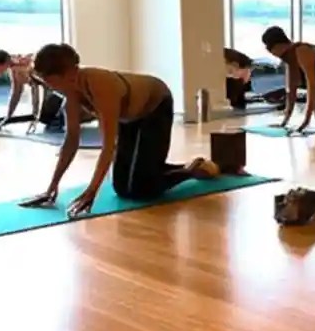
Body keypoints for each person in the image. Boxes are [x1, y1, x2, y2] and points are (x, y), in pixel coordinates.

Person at [20, 43, 218, 217]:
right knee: (122, 187)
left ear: (70, 73)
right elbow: (71, 142)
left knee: (141, 189)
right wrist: (51, 188)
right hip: (129, 116)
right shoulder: (70, 95)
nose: (50, 87)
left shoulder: (101, 85)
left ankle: (190, 170)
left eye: (51, 81)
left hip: (155, 106)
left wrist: (91, 192)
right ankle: (160, 167)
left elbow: (108, 146)